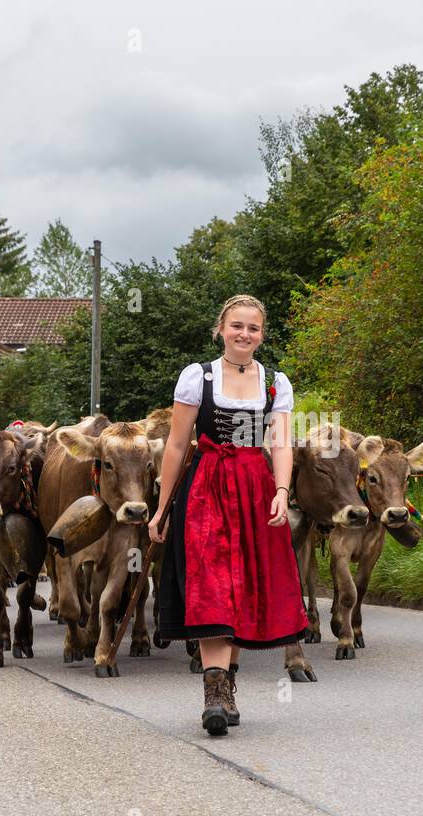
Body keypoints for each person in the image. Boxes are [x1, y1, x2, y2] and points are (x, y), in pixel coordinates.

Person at [153, 294, 308, 736]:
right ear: (220, 329)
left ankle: (227, 682)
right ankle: (215, 693)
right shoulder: (197, 377)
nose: (244, 334)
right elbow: (177, 445)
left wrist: (282, 491)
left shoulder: (275, 383)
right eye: (236, 325)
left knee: (244, 587)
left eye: (253, 328)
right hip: (206, 487)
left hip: (256, 488)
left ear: (262, 335)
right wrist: (162, 508)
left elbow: (281, 442)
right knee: (212, 584)